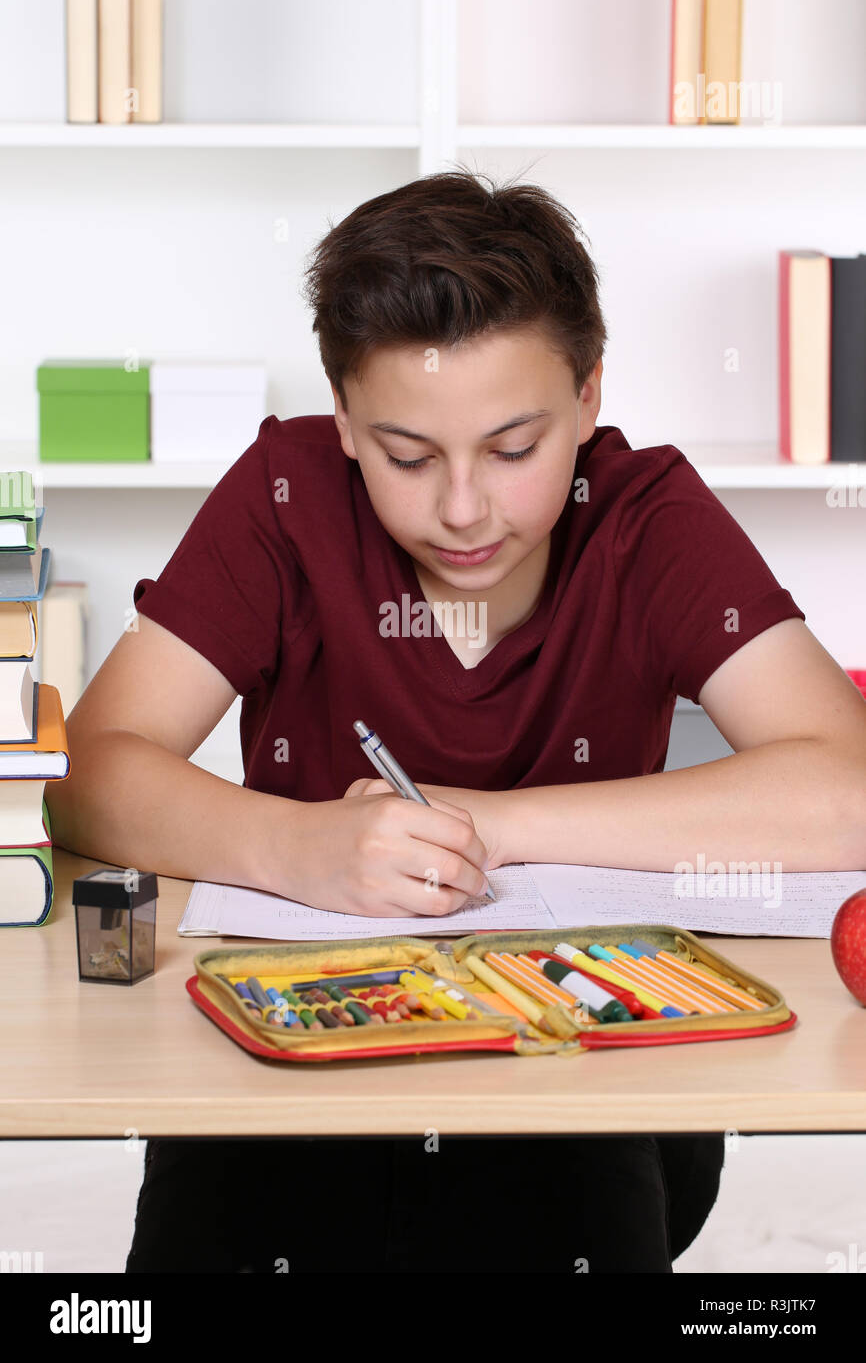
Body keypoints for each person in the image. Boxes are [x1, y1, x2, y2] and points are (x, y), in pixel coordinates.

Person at [47, 167, 866, 1273]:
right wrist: (305, 847)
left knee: (568, 1185)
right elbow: (91, 775)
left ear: (586, 395)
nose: (463, 508)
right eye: (406, 455)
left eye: (514, 448)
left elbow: (846, 791)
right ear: (341, 417)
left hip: (571, 1069)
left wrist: (494, 823)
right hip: (298, 1051)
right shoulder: (284, 491)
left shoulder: (642, 514)